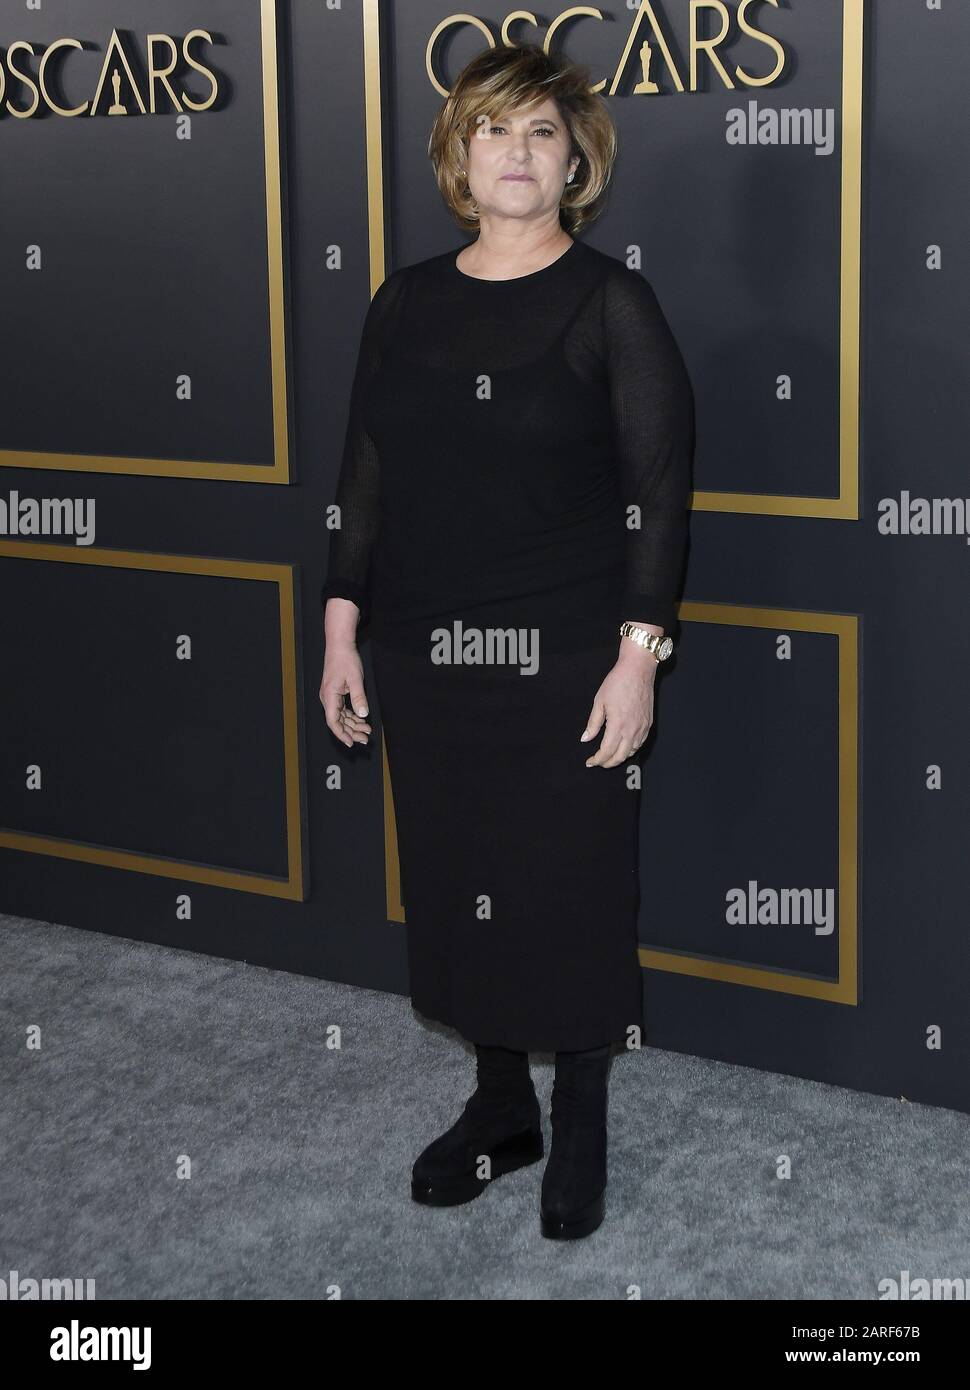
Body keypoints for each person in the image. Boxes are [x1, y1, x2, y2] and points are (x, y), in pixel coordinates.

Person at [319, 43, 695, 1241]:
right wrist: (341, 632)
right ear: (457, 155)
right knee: (457, 874)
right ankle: (499, 1103)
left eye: (542, 133)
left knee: (568, 886)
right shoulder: (407, 300)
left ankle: (577, 1108)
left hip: (569, 662)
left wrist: (638, 656)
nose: (517, 154)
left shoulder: (609, 302)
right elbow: (363, 478)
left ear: (575, 158)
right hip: (427, 661)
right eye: (495, 131)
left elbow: (662, 488)